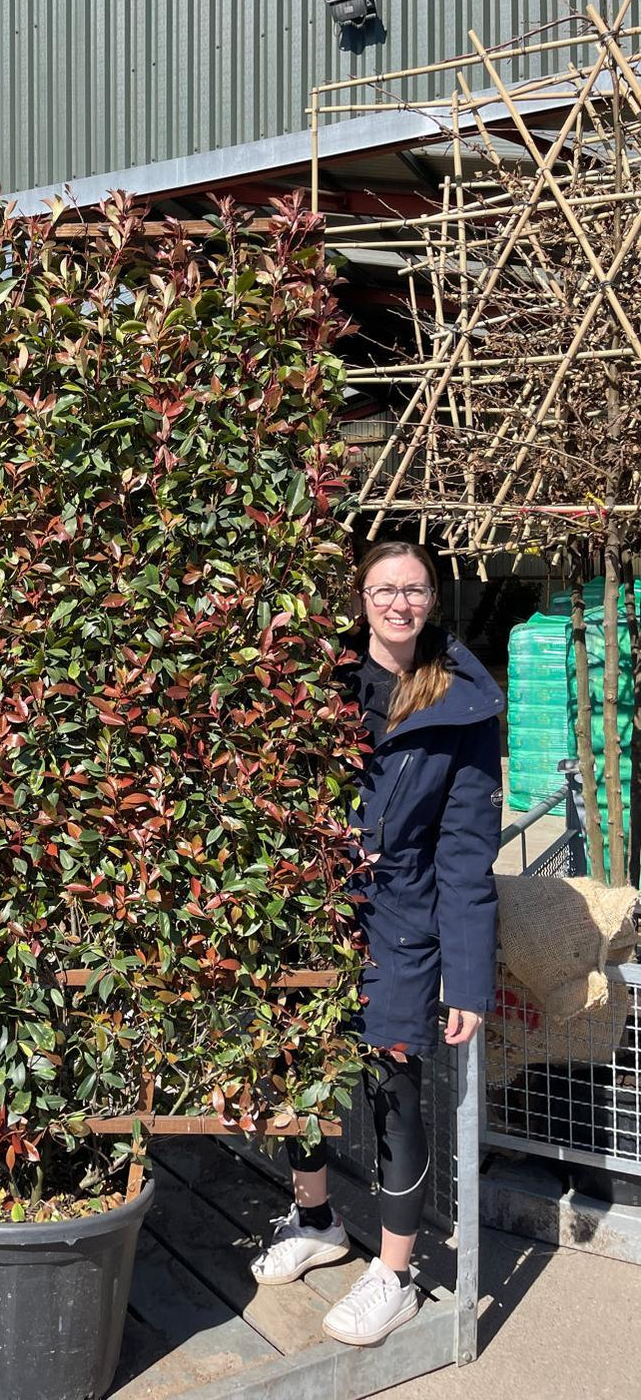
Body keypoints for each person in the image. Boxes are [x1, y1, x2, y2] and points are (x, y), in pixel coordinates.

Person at [250, 540, 504, 1346]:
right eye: (384, 587)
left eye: (415, 588)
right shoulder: (320, 678)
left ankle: (394, 1272)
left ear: (434, 597)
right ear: (360, 596)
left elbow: (466, 850)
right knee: (304, 1061)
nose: (400, 602)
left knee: (392, 1083)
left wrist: (466, 975)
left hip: (403, 916)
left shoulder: (462, 700)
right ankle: (317, 1215)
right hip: (317, 905)